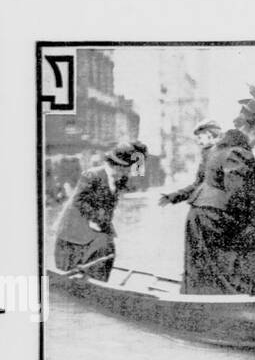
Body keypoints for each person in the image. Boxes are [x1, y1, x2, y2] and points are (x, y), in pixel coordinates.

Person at [181, 87, 255, 295]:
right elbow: (240, 200)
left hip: (201, 218)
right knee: (252, 256)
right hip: (213, 222)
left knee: (207, 279)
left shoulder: (218, 148)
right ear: (254, 125)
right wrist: (252, 235)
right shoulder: (240, 153)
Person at [53, 143, 141, 281]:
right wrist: (94, 219)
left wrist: (103, 222)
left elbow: (110, 203)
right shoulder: (91, 175)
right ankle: (88, 282)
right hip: (76, 226)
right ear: (117, 166)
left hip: (98, 224)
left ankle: (98, 283)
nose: (127, 173)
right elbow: (80, 201)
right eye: (126, 169)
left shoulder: (120, 179)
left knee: (107, 248)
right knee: (97, 249)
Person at [158, 119, 222, 209]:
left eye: (200, 138)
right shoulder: (208, 155)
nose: (199, 142)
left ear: (209, 135)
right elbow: (198, 184)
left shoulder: (220, 155)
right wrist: (174, 196)